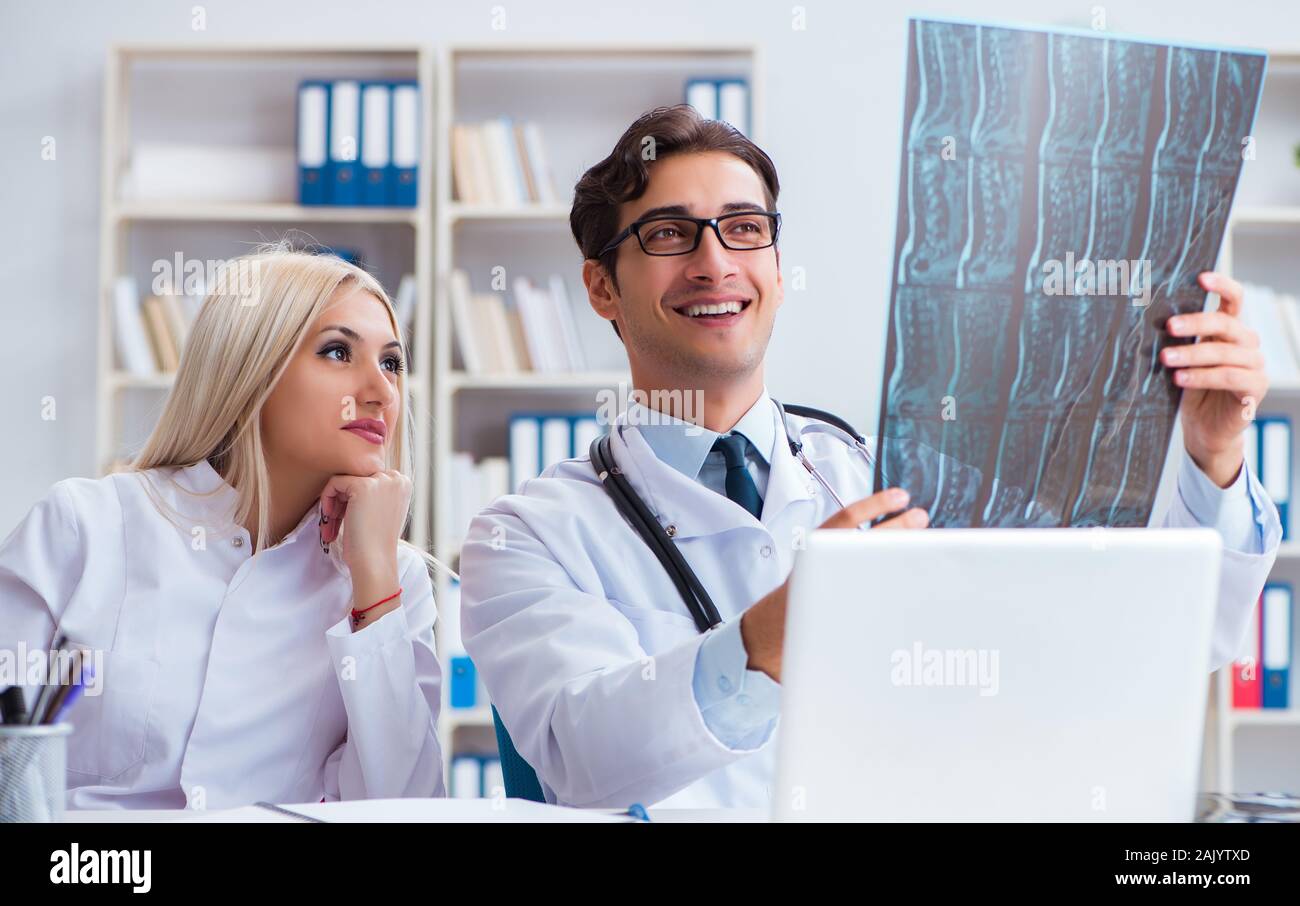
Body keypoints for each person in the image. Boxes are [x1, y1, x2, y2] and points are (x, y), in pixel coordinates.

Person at [459, 105, 1280, 810]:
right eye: (670, 234)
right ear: (602, 288)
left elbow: (1138, 642)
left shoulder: (894, 477)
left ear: (777, 268)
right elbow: (581, 757)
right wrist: (768, 639)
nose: (715, 262)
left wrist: (1213, 453)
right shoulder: (527, 535)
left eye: (745, 229)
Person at [0, 247, 444, 809]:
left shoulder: (390, 576)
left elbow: (407, 807)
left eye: (393, 363)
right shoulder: (85, 527)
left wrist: (374, 581)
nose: (382, 392)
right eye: (338, 352)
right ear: (249, 369)